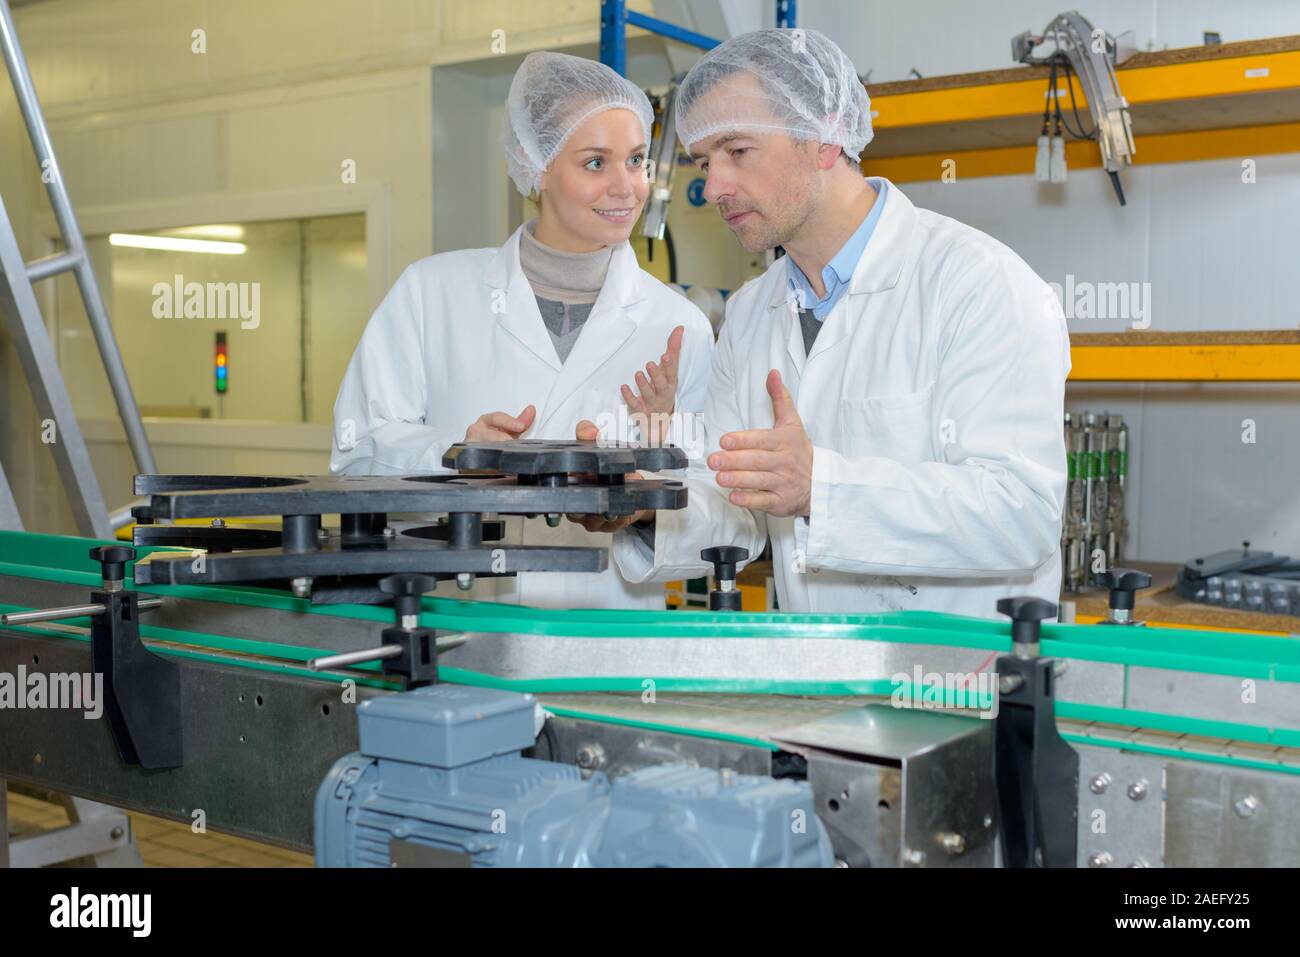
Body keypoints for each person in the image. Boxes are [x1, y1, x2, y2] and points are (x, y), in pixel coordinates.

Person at [583, 28, 1070, 618]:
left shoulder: (980, 284)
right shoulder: (749, 313)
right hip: (817, 676)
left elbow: (1020, 515)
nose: (713, 187)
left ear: (824, 137)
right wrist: (644, 503)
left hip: (957, 678)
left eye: (737, 152)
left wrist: (822, 488)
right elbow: (738, 508)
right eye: (704, 162)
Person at [331, 51, 714, 609]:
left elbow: (723, 513)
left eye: (635, 160)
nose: (626, 186)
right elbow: (353, 454)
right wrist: (458, 456)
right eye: (594, 163)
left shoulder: (678, 325)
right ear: (536, 168)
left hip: (609, 641)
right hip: (458, 627)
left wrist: (644, 498)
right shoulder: (431, 291)